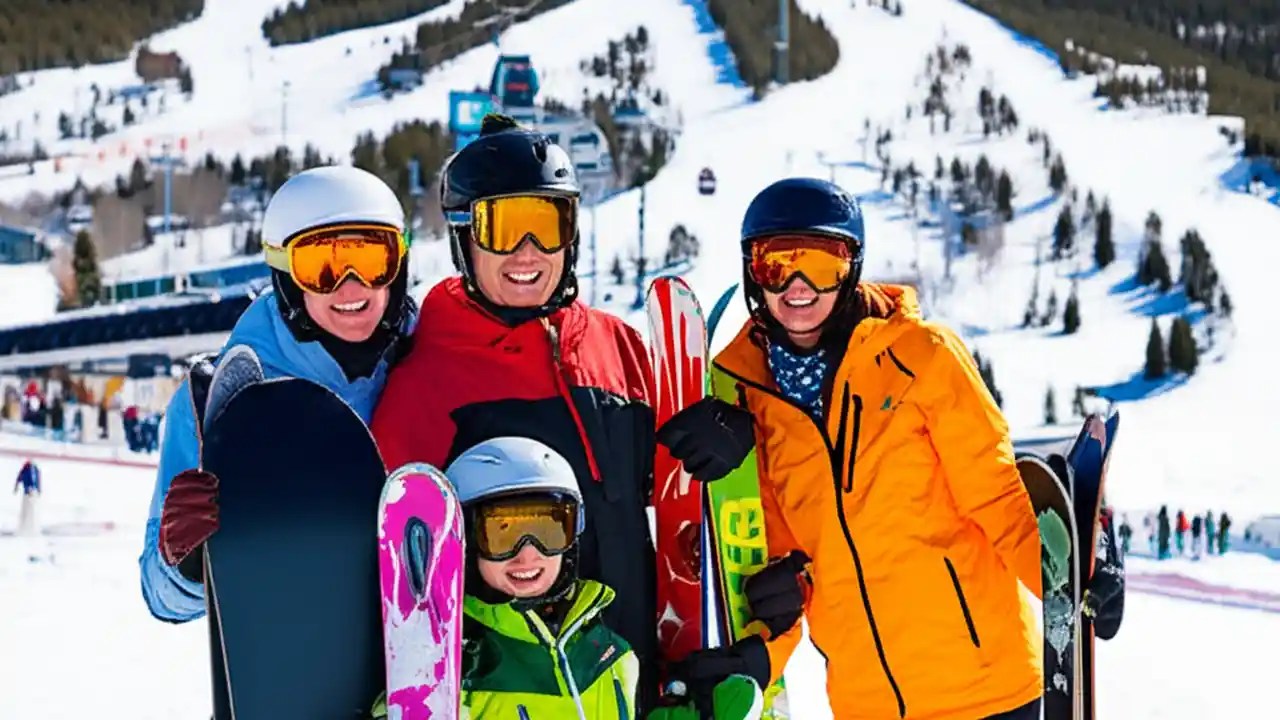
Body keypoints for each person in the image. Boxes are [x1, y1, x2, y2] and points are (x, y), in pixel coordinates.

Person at [656, 178, 1043, 720]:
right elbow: (777, 563)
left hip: (989, 688)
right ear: (752, 271)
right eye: (776, 264)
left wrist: (1069, 582)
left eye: (822, 265)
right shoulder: (746, 400)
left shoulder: (923, 356)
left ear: (852, 267)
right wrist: (763, 654)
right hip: (867, 702)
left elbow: (997, 494)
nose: (798, 286)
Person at [370, 115, 659, 711]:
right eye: (502, 229)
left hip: (627, 682)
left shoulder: (618, 347)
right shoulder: (426, 382)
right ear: (463, 238)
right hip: (508, 695)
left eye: (547, 224)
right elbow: (399, 576)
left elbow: (669, 497)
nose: (528, 251)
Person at [137, 166, 417, 718]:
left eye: (373, 259)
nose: (351, 285)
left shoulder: (431, 362)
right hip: (291, 682)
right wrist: (185, 563)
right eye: (322, 267)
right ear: (285, 274)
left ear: (400, 263)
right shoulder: (217, 403)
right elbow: (160, 598)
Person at [369, 437, 761, 720]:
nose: (527, 553)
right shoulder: (455, 667)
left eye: (548, 531)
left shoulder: (611, 653)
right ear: (467, 540)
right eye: (502, 533)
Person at [14, 459, 40, 536]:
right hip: (29, 493)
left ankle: (30, 527)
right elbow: (19, 478)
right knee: (27, 511)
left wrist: (35, 489)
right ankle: (26, 527)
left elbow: (35, 481)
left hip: (31, 493)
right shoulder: (27, 470)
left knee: (29, 511)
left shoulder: (31, 470)